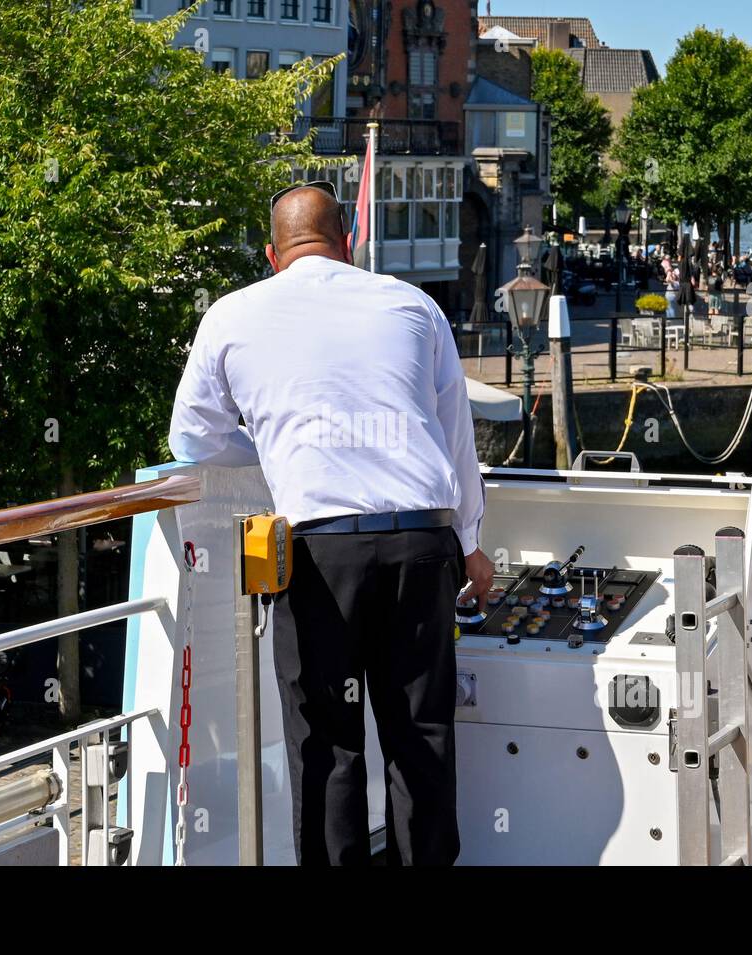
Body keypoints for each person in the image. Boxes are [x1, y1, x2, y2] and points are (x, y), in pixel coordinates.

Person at [168, 182, 492, 865]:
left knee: (328, 741)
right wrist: (472, 543)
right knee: (421, 734)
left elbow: (191, 441)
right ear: (349, 243)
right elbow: (453, 435)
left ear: (270, 253)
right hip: (422, 541)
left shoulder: (231, 315)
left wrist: (276, 449)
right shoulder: (411, 304)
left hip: (320, 554)